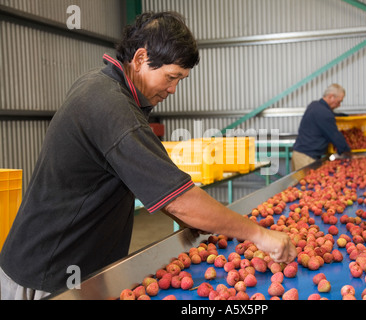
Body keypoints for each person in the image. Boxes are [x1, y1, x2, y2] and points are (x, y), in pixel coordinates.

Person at [0, 11, 296, 300]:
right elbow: (180, 200)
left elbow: (159, 188)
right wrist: (260, 235)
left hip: (74, 268)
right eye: (171, 77)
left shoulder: (101, 85)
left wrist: (196, 221)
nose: (173, 89)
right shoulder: (111, 106)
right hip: (49, 277)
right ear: (140, 59)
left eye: (180, 79)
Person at [291, 84, 351, 171]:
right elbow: (335, 136)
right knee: (309, 183)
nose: (339, 105)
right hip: (306, 158)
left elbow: (331, 115)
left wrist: (348, 116)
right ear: (331, 97)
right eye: (338, 102)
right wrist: (349, 154)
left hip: (299, 155)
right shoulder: (324, 114)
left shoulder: (315, 105)